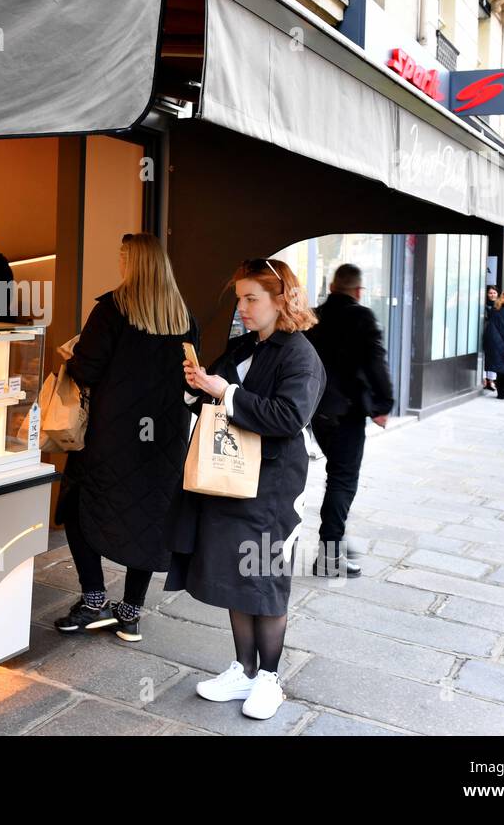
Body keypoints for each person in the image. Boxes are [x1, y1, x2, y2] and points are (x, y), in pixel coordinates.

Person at [167, 257, 325, 720]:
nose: (243, 307)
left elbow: (288, 416)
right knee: (239, 577)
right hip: (231, 477)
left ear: (281, 300)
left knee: (266, 577)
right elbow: (211, 392)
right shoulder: (241, 346)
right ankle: (245, 669)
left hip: (273, 484)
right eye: (239, 298)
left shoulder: (301, 354)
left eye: (251, 298)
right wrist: (196, 384)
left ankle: (270, 680)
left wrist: (225, 393)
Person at [53, 233, 199, 642]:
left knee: (80, 507)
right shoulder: (183, 316)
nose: (119, 263)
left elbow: (87, 371)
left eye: (122, 257)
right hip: (165, 439)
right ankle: (130, 612)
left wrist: (73, 356)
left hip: (110, 435)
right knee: (151, 518)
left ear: (132, 263)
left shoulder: (112, 309)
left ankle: (94, 598)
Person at [304, 264, 394, 579]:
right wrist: (384, 403)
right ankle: (330, 554)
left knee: (337, 477)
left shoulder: (313, 316)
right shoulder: (362, 317)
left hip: (317, 412)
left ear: (332, 287)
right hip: (347, 413)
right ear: (357, 291)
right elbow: (375, 362)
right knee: (342, 480)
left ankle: (337, 542)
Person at [482, 286, 500, 391]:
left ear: (497, 294)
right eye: (490, 293)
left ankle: (492, 380)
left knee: (493, 357)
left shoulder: (500, 306)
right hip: (485, 333)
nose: (492, 295)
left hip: (495, 334)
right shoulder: (483, 306)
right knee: (484, 356)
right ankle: (484, 379)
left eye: (494, 293)